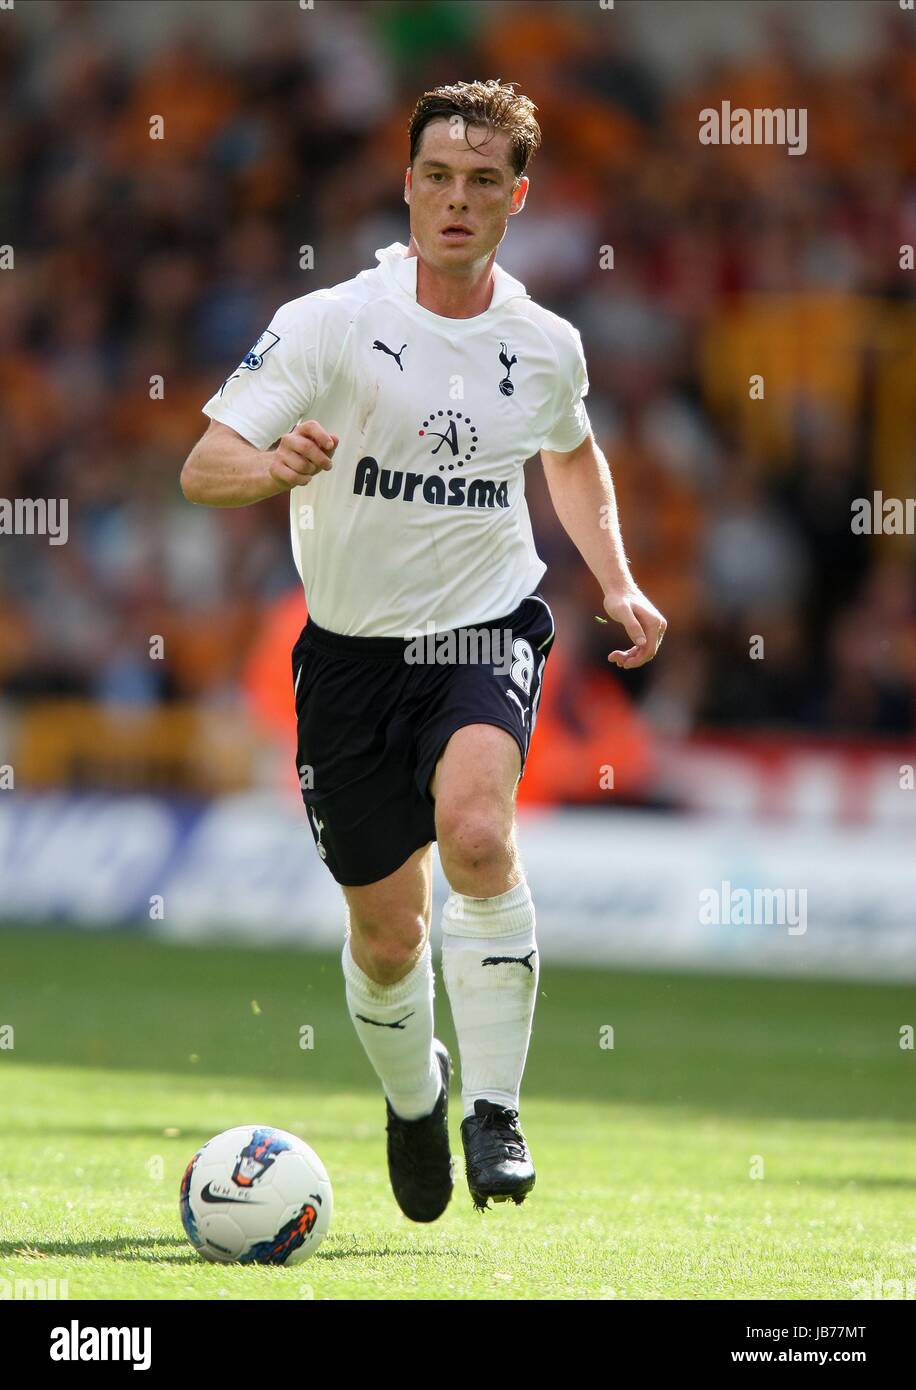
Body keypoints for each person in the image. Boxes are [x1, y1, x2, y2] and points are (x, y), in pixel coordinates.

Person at [181, 79, 666, 1221]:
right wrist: (276, 467)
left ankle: (494, 1104)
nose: (457, 200)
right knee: (388, 934)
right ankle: (416, 1097)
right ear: (406, 188)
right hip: (350, 655)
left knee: (480, 832)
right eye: (437, 178)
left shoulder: (544, 344)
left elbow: (571, 453)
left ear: (516, 199)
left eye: (483, 181)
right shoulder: (330, 325)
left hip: (482, 628)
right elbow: (204, 468)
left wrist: (618, 578)